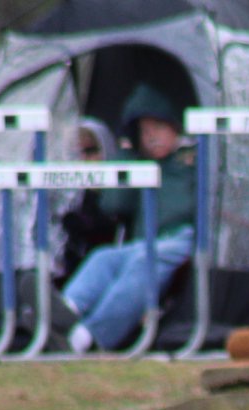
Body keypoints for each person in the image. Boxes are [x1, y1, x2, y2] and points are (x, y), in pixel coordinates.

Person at [57, 86, 195, 353]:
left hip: (185, 238)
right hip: (144, 243)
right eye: (143, 130)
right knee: (104, 258)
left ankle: (86, 337)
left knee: (146, 259)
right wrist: (127, 151)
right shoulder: (140, 164)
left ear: (174, 126)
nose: (151, 136)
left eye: (157, 126)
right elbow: (113, 204)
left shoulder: (194, 159)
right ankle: (63, 313)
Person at [55, 116, 123, 284]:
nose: (84, 159)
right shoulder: (67, 200)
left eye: (91, 151)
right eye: (76, 153)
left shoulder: (122, 194)